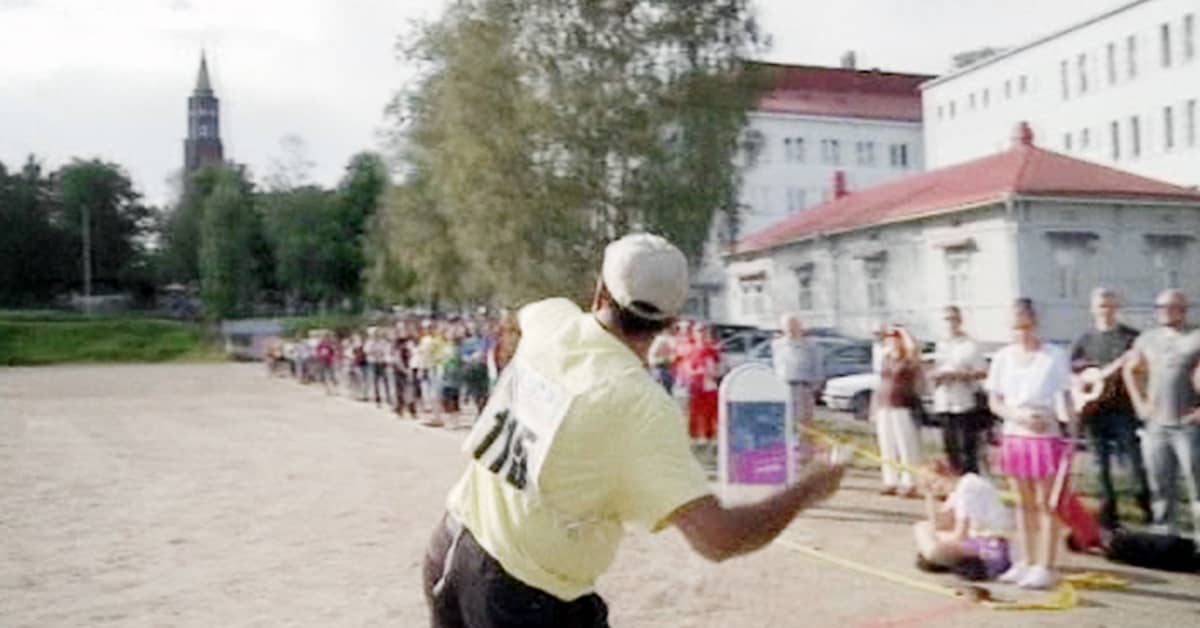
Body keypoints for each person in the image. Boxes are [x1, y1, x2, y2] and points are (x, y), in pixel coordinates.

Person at [423, 233, 845, 628]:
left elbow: (525, 318)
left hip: (451, 546)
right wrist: (809, 489)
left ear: (600, 291)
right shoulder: (640, 406)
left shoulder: (552, 320)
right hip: (525, 596)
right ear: (670, 320)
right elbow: (719, 538)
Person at [986, 298, 1074, 590]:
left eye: (1026, 326)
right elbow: (995, 401)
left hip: (1045, 437)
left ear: (1035, 323)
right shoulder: (1002, 358)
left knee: (1046, 504)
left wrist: (1068, 432)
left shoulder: (1054, 356)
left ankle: (1045, 565)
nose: (1021, 332)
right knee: (1022, 504)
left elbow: (1066, 397)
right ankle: (1025, 560)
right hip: (1015, 435)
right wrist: (1016, 416)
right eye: (1016, 327)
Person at [1069, 287, 1152, 529]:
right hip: (1094, 412)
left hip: (1123, 410)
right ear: (1093, 308)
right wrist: (1082, 386)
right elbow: (1073, 372)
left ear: (1117, 307)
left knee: (1135, 464)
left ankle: (1146, 507)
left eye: (1109, 305)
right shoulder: (1083, 340)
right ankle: (1108, 517)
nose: (1105, 309)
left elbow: (1143, 367)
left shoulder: (1131, 338)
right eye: (1101, 305)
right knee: (1100, 465)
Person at [1122, 289, 1200, 540]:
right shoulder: (1147, 339)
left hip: (1188, 425)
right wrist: (1139, 403)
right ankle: (1166, 536)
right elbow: (1130, 369)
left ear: (1183, 309)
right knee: (1159, 484)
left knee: (1196, 483)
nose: (1164, 311)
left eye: (1169, 306)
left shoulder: (1196, 336)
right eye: (1159, 307)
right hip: (1156, 425)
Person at [913, 461, 1011, 580]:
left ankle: (937, 557)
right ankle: (939, 557)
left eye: (934, 481)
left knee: (936, 548)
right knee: (921, 527)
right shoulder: (956, 491)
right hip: (976, 540)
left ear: (945, 473)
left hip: (991, 546)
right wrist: (929, 496)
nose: (935, 487)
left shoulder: (967, 487)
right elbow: (938, 524)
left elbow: (960, 534)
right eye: (929, 485)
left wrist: (938, 539)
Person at [931, 306, 987, 475]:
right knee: (950, 449)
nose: (949, 323)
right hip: (943, 401)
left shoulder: (970, 345)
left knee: (967, 449)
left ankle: (972, 484)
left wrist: (959, 375)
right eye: (946, 320)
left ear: (960, 321)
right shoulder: (941, 344)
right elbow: (936, 367)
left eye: (953, 319)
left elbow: (982, 372)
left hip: (964, 402)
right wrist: (936, 375)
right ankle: (956, 485)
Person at [873, 326, 925, 498]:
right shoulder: (886, 358)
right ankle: (890, 480)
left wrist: (902, 331)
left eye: (895, 338)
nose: (891, 341)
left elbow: (914, 350)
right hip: (884, 404)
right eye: (889, 338)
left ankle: (909, 481)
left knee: (906, 444)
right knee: (887, 443)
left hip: (902, 404)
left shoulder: (907, 359)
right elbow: (880, 380)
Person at [771, 313, 824, 459]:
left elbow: (817, 366)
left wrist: (816, 386)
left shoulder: (810, 345)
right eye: (787, 326)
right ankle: (788, 453)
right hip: (784, 386)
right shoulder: (777, 345)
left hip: (803, 386)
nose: (791, 329)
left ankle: (806, 454)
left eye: (794, 325)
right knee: (786, 421)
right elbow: (776, 366)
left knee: (805, 421)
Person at [683, 323, 720, 445]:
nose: (702, 334)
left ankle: (709, 437)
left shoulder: (712, 350)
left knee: (711, 413)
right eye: (699, 331)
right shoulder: (690, 350)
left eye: (704, 331)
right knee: (696, 412)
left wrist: (713, 372)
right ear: (694, 333)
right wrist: (697, 372)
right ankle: (696, 438)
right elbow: (686, 368)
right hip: (696, 386)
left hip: (709, 386)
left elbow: (718, 367)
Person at [647, 329, 676, 394]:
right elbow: (652, 358)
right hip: (659, 369)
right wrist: (665, 359)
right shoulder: (660, 340)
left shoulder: (664, 340)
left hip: (664, 369)